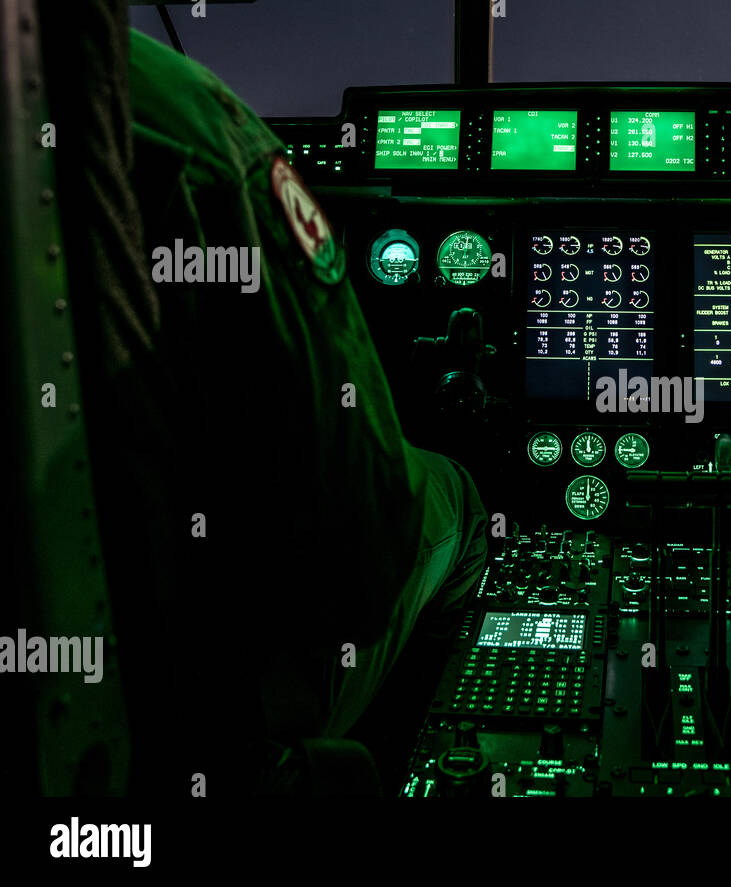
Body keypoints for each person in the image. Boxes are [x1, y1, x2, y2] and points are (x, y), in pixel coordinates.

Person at [38, 1, 487, 793]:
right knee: (459, 495)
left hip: (86, 691)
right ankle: (372, 762)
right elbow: (367, 558)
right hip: (189, 718)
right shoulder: (184, 133)